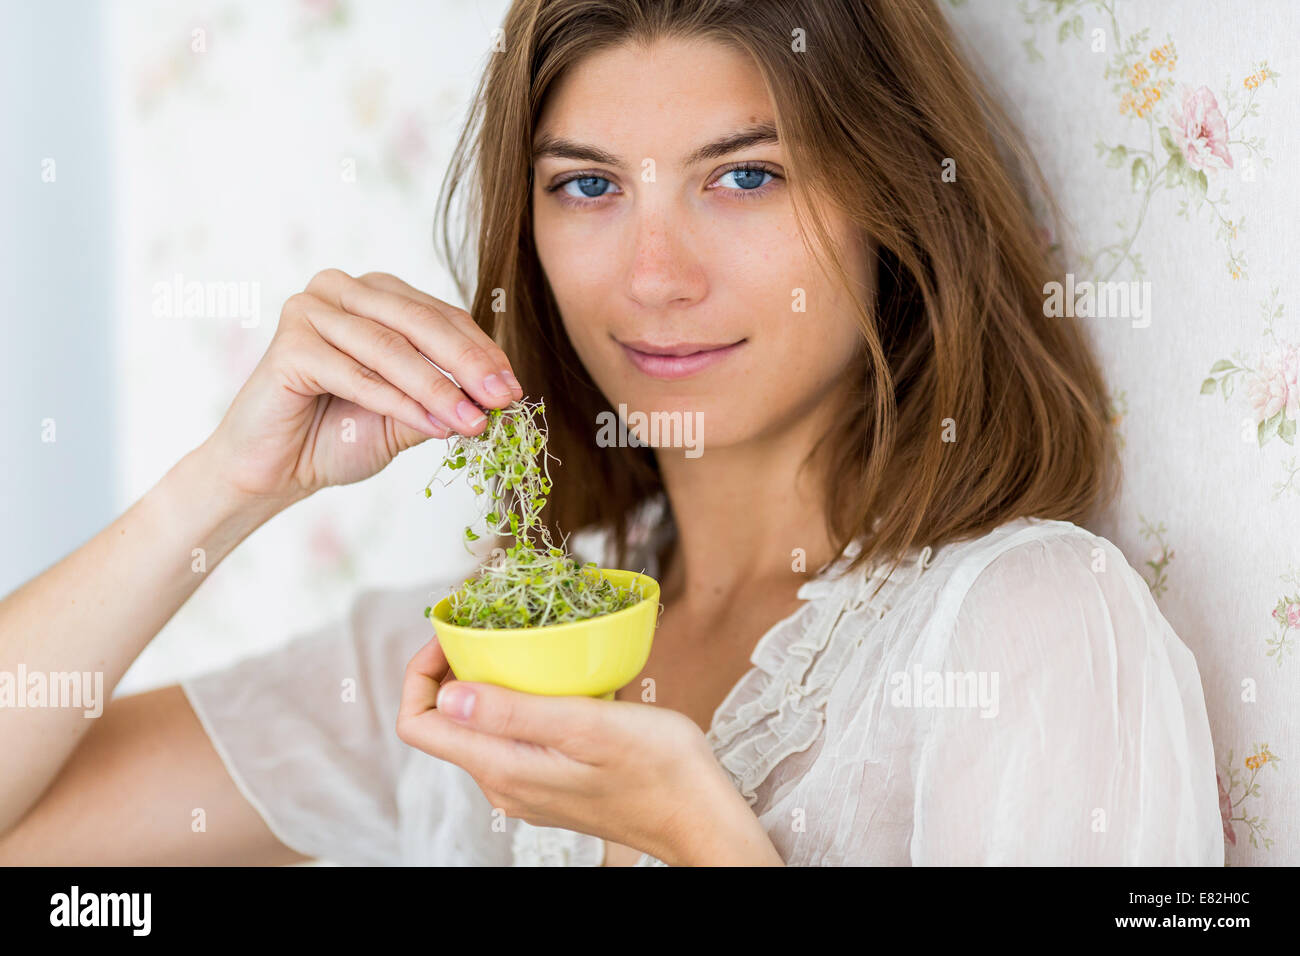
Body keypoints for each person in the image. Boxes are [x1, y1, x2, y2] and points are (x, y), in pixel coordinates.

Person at [0, 0, 1224, 866]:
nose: (652, 277)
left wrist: (701, 839)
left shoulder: (1031, 632)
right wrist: (222, 485)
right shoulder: (466, 668)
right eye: (587, 184)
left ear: (891, 200)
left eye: (744, 176)